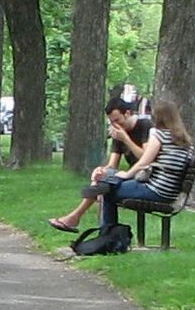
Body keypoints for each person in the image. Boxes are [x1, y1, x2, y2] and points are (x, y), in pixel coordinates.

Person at [68, 97, 195, 240]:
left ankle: (106, 237)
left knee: (107, 191)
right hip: (170, 192)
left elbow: (144, 162)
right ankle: (84, 208)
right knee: (108, 182)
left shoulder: (158, 134)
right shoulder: (187, 142)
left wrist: (126, 174)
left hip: (156, 189)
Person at [49, 97, 151, 232]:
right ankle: (94, 228)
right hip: (132, 175)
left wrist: (126, 139)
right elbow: (112, 165)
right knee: (104, 179)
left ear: (127, 113)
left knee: (107, 188)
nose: (116, 125)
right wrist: (101, 170)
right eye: (112, 122)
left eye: (117, 120)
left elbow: (145, 157)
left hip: (148, 176)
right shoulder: (119, 132)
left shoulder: (145, 126)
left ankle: (76, 218)